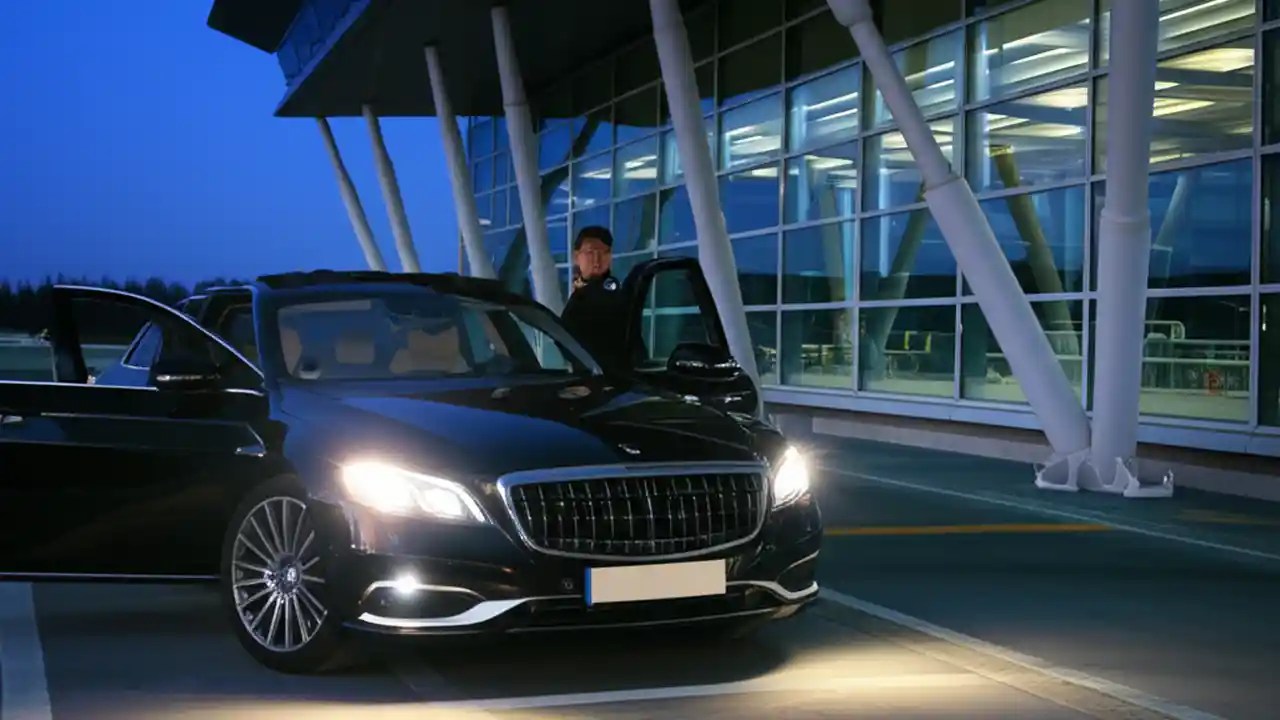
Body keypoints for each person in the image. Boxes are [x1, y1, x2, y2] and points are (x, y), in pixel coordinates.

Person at [560, 225, 628, 369]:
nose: (597, 260)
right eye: (590, 253)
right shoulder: (581, 290)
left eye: (604, 253)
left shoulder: (610, 291)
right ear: (576, 256)